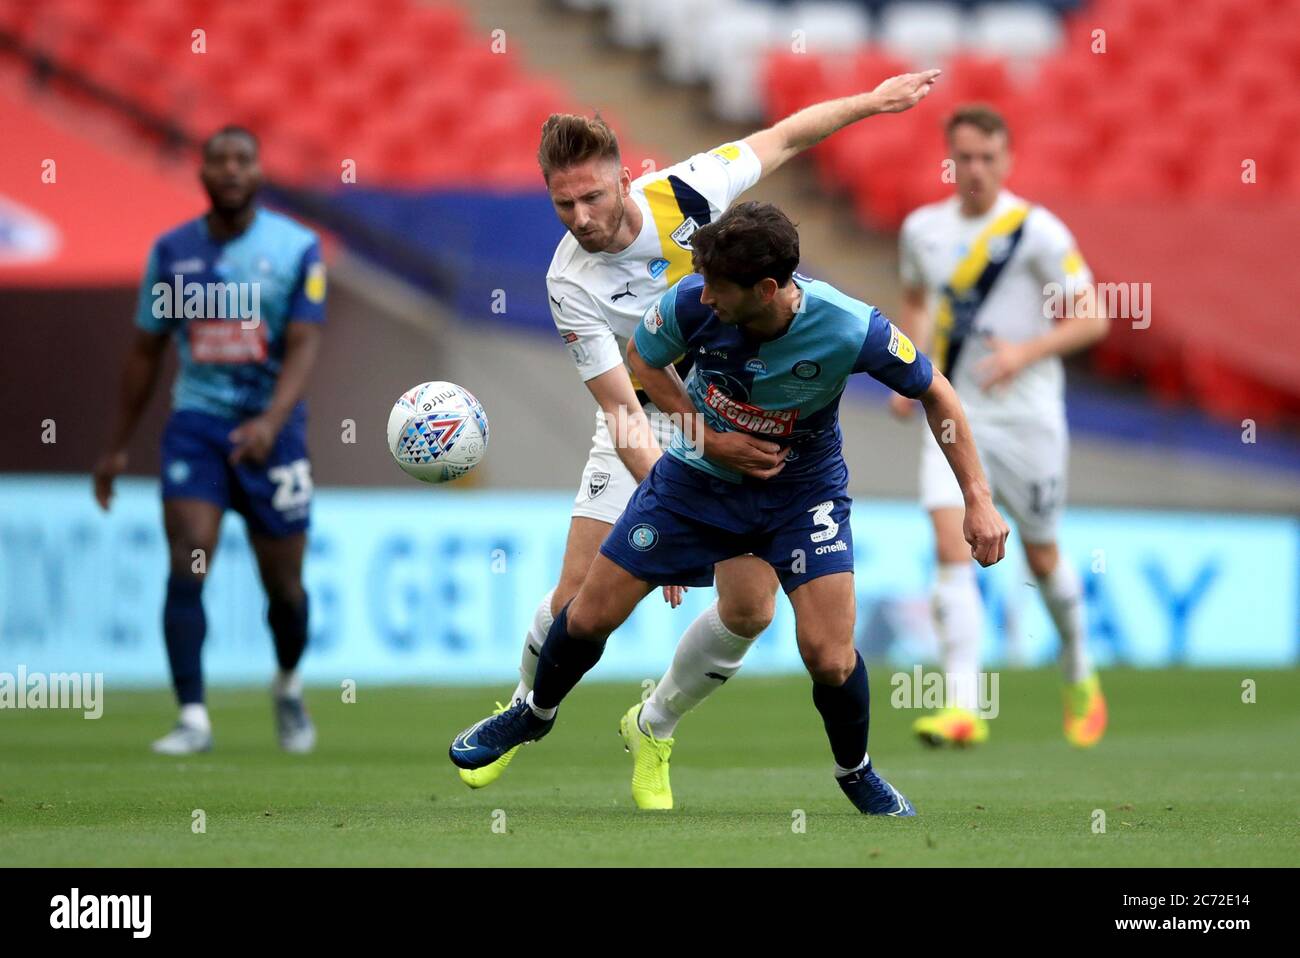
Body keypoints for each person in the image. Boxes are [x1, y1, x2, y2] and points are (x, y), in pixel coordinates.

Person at [461, 69, 943, 810]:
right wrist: (672, 498)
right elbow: (622, 408)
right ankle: (525, 710)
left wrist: (872, 103)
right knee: (576, 598)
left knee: (749, 611)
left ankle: (653, 725)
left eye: (593, 195)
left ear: (626, 176)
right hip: (645, 418)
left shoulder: (685, 193)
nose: (582, 217)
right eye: (565, 204)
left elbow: (784, 136)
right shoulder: (570, 283)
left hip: (739, 414)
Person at [92, 126, 326, 754]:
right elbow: (145, 352)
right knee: (190, 553)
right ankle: (192, 715)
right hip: (197, 425)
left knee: (285, 591)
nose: (230, 169)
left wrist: (271, 423)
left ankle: (286, 682)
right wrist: (116, 445)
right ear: (201, 174)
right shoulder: (171, 253)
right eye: (218, 160)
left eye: (242, 159)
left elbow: (304, 345)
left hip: (274, 433)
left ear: (257, 172)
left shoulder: (297, 247)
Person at [891, 105, 1109, 748]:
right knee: (947, 543)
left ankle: (1077, 668)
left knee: (1042, 557)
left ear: (1007, 160)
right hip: (957, 412)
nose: (975, 170)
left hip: (1028, 417)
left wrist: (1022, 353)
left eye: (988, 157)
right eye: (964, 157)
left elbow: (1092, 319)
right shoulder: (922, 230)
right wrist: (914, 371)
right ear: (949, 159)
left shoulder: (1037, 232)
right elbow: (916, 301)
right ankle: (962, 707)